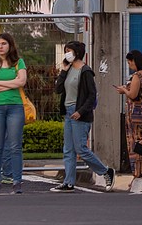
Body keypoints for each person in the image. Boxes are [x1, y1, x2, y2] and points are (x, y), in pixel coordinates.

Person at [51, 41, 115, 193]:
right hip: (67, 111)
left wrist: (80, 111)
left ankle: (106, 171)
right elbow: (58, 89)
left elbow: (92, 95)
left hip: (79, 112)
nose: (67, 53)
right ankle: (69, 182)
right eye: (66, 50)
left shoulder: (86, 71)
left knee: (81, 148)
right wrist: (63, 71)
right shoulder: (69, 69)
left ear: (77, 53)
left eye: (70, 51)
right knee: (68, 149)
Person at [0, 32, 27, 194]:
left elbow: (22, 81)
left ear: (10, 45)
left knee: (15, 146)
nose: (1, 47)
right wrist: (11, 83)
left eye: (4, 44)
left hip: (15, 107)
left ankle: (17, 182)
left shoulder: (18, 62)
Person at [114, 49, 142, 179]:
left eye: (129, 62)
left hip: (136, 112)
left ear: (134, 61)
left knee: (135, 142)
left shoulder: (137, 75)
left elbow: (133, 94)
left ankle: (138, 172)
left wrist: (124, 89)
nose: (129, 65)